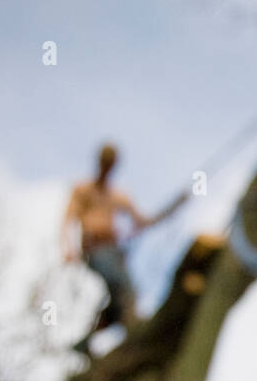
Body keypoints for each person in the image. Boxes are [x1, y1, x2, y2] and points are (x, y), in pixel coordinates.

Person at [62, 143, 187, 352]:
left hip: (113, 251)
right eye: (105, 162)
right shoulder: (83, 190)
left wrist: (176, 205)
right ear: (99, 162)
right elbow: (67, 221)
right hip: (94, 250)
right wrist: (67, 248)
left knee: (117, 298)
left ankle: (85, 342)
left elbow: (143, 220)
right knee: (123, 287)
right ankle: (136, 334)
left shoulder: (117, 196)